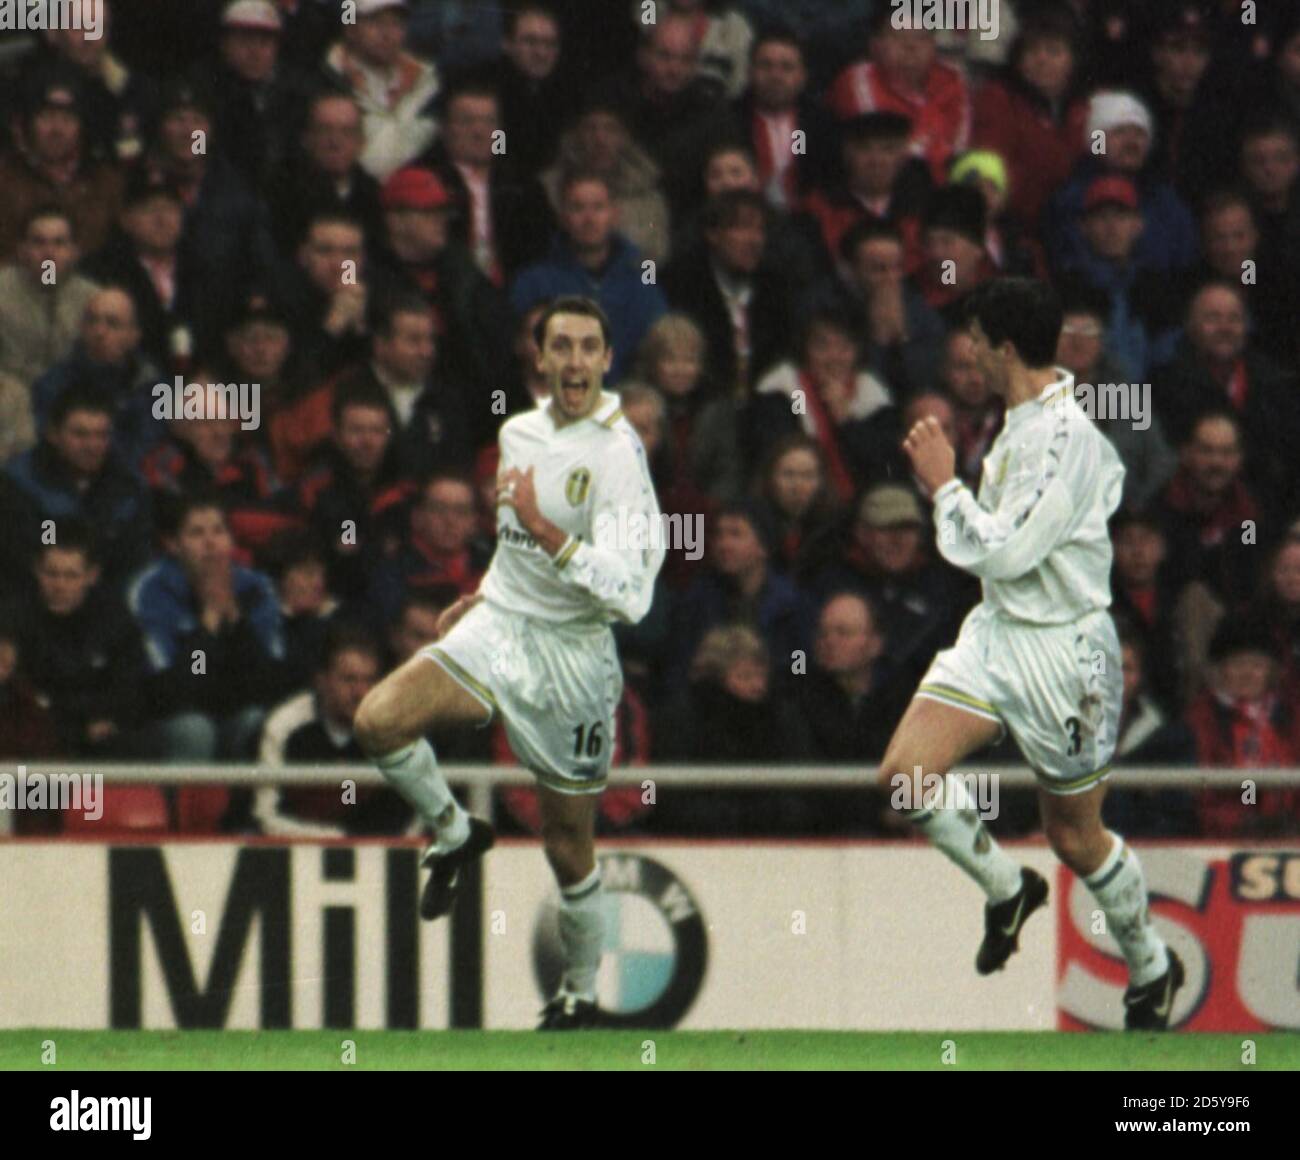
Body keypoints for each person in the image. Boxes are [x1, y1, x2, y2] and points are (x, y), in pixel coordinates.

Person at [879, 277, 1184, 1030]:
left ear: (1005, 346)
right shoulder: (1016, 422)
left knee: (1074, 836)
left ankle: (1150, 965)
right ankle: (1008, 887)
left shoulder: (1066, 439)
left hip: (1064, 653)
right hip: (998, 635)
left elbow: (1010, 549)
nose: (969, 355)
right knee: (904, 779)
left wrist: (945, 487)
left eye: (976, 342)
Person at [352, 296, 665, 1030]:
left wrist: (548, 529)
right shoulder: (517, 433)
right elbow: (512, 547)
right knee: (379, 721)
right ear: (542, 358)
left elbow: (634, 596)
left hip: (576, 661)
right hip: (501, 627)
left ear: (607, 359)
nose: (576, 361)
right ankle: (455, 831)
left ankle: (580, 994)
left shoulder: (618, 457)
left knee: (568, 845)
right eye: (562, 347)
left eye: (590, 346)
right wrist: (479, 593)